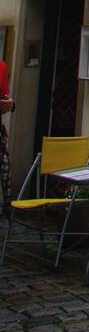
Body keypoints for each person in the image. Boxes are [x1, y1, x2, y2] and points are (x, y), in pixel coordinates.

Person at [0, 59, 14, 218]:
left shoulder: (2, 66)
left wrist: (9, 104)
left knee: (5, 170)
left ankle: (8, 204)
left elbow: (4, 96)